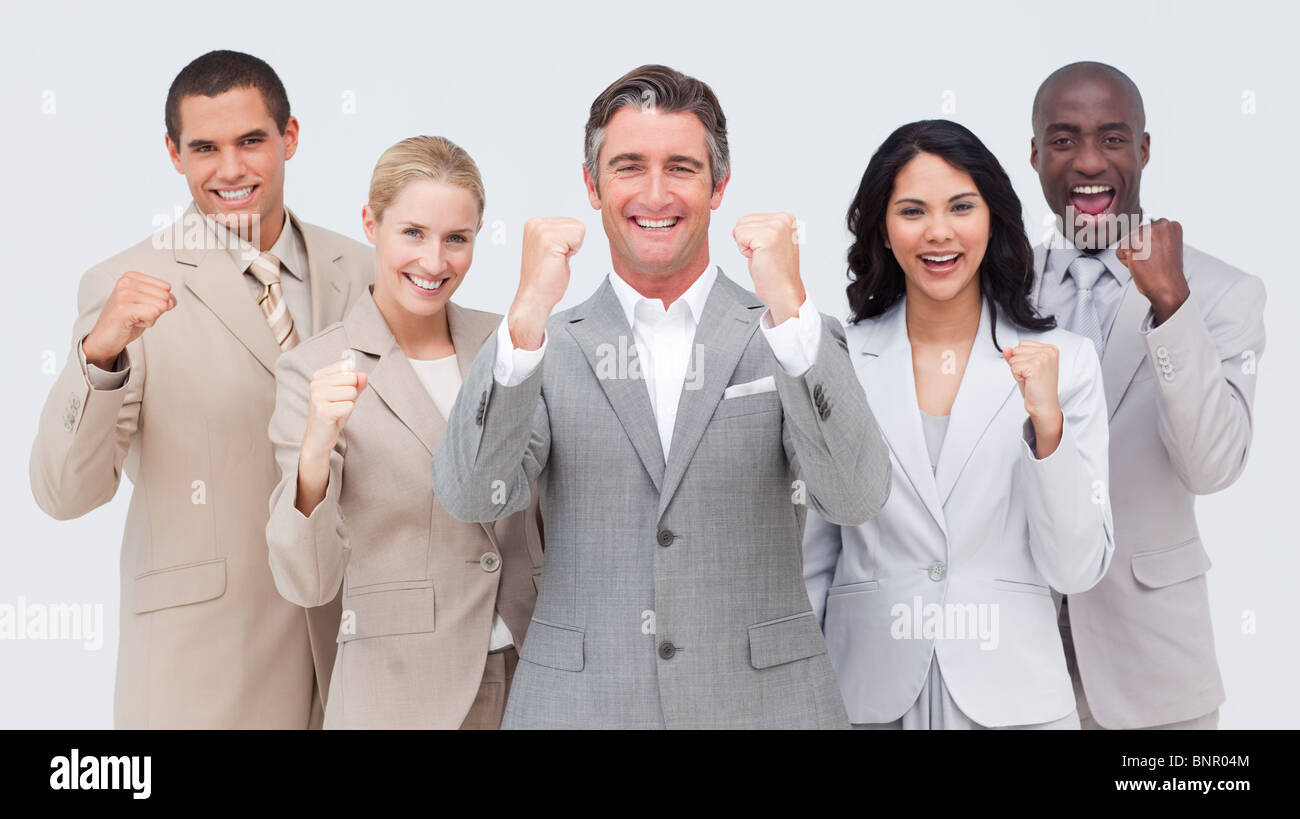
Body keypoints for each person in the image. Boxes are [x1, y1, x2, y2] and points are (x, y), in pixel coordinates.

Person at [431, 64, 891, 729]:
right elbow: (473, 496)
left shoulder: (792, 335)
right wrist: (526, 312)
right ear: (592, 185)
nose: (655, 193)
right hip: (583, 708)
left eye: (680, 167)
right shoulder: (539, 347)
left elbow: (854, 496)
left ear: (719, 185)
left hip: (765, 707)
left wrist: (790, 309)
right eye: (628, 167)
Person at [28, 50, 372, 728]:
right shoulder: (123, 283)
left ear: (290, 137)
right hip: (204, 671)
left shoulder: (365, 269)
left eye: (251, 140)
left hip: (355, 657)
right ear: (173, 153)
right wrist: (99, 352)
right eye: (205, 148)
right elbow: (64, 493)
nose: (231, 169)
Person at [804, 119, 1115, 729]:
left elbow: (1076, 568)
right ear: (884, 230)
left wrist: (1047, 428)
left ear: (992, 218)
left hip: (1014, 699)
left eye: (961, 207)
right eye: (912, 211)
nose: (939, 231)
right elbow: (813, 557)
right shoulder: (839, 359)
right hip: (865, 697)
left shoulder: (1068, 362)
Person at [265, 136, 541, 729]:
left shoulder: (511, 345)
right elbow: (308, 582)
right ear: (371, 224)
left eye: (456, 239)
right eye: (413, 233)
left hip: (537, 681)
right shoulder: (312, 370)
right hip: (399, 696)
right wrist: (315, 450)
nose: (434, 262)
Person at [1029, 62, 1266, 730]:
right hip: (1015, 656)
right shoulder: (996, 285)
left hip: (1155, 670)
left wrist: (1171, 303)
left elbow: (1211, 467)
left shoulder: (1222, 293)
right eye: (1063, 139)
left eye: (1112, 138)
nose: (1088, 162)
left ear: (1144, 148)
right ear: (1035, 154)